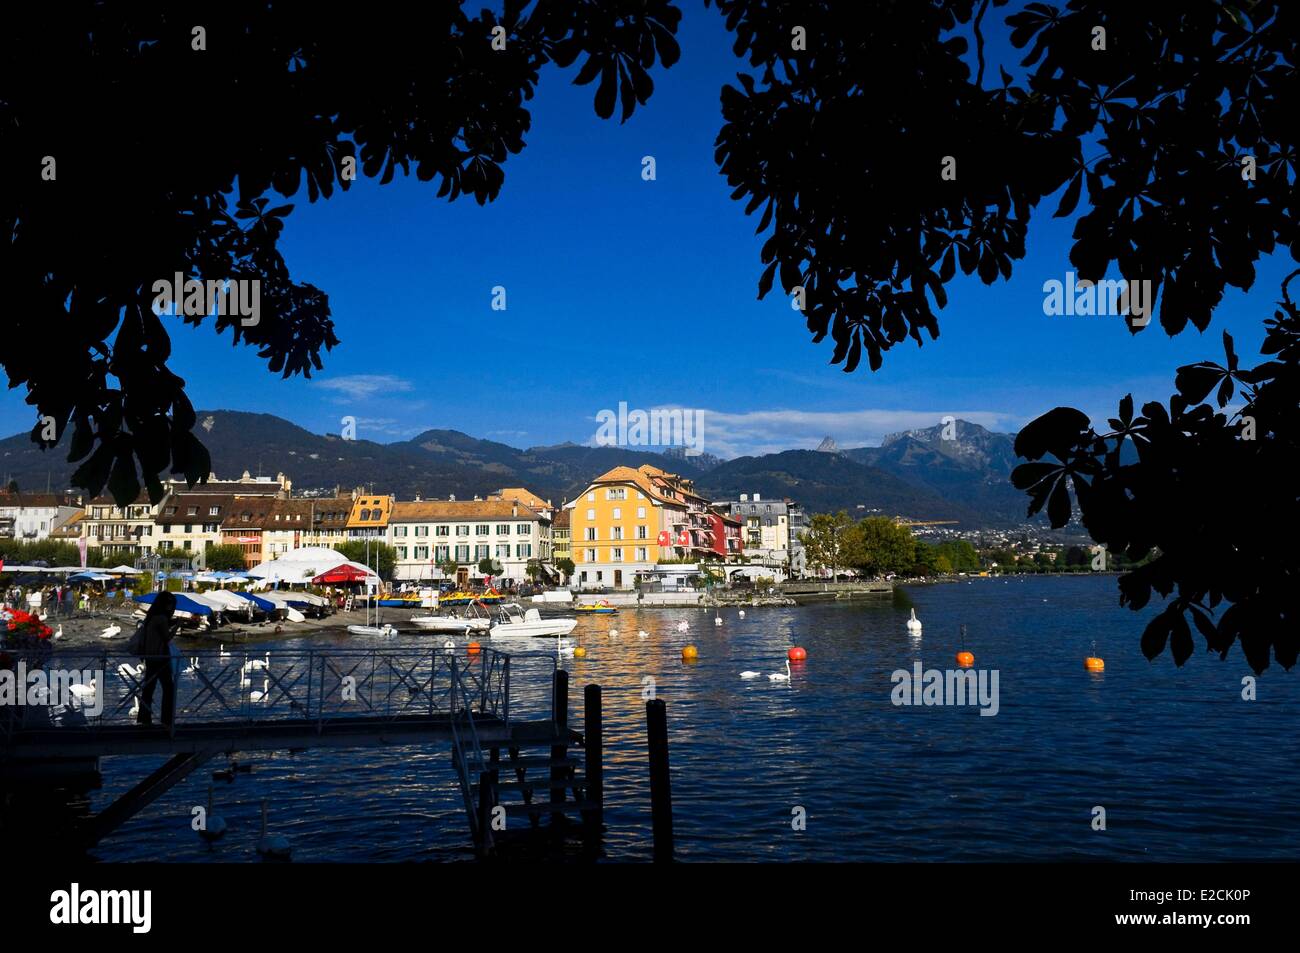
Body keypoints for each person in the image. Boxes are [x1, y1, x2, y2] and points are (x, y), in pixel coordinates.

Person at [137, 591, 178, 727]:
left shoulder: (152, 617)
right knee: (168, 689)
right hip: (160, 657)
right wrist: (177, 626)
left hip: (150, 656)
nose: (172, 608)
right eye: (171, 604)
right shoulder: (161, 618)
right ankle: (166, 720)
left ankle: (144, 718)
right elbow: (167, 638)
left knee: (148, 689)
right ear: (166, 604)